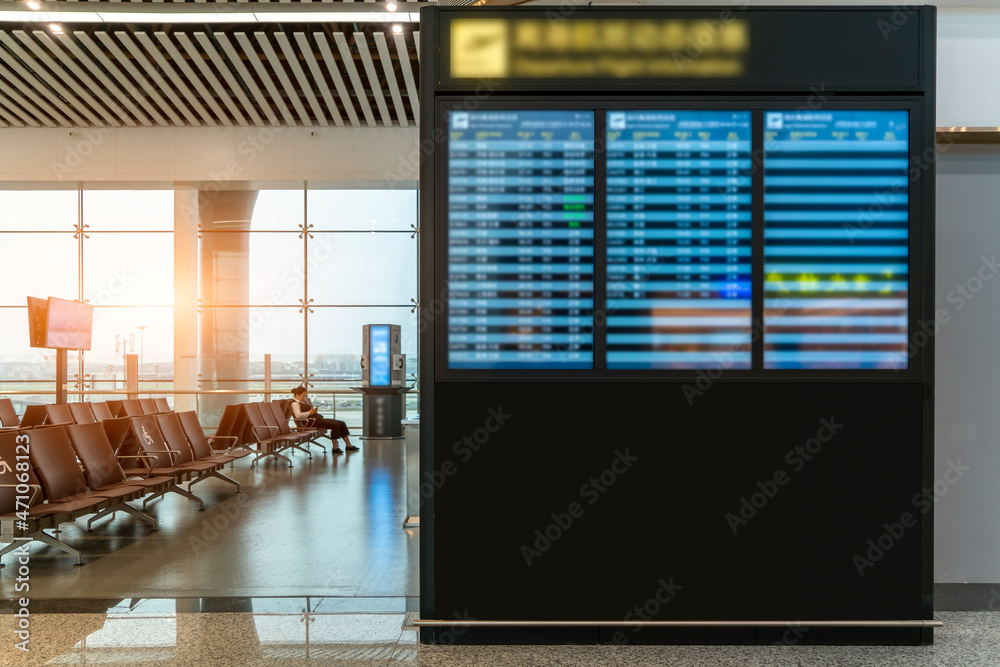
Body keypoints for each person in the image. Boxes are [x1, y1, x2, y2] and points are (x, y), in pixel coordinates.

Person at [290, 386, 357, 454]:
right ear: (297, 395)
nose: (304, 398)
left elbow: (306, 412)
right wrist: (309, 413)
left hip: (316, 419)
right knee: (335, 425)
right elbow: (298, 416)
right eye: (303, 396)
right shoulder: (295, 404)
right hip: (311, 422)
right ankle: (335, 447)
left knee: (342, 423)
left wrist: (313, 411)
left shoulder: (302, 402)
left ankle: (349, 445)